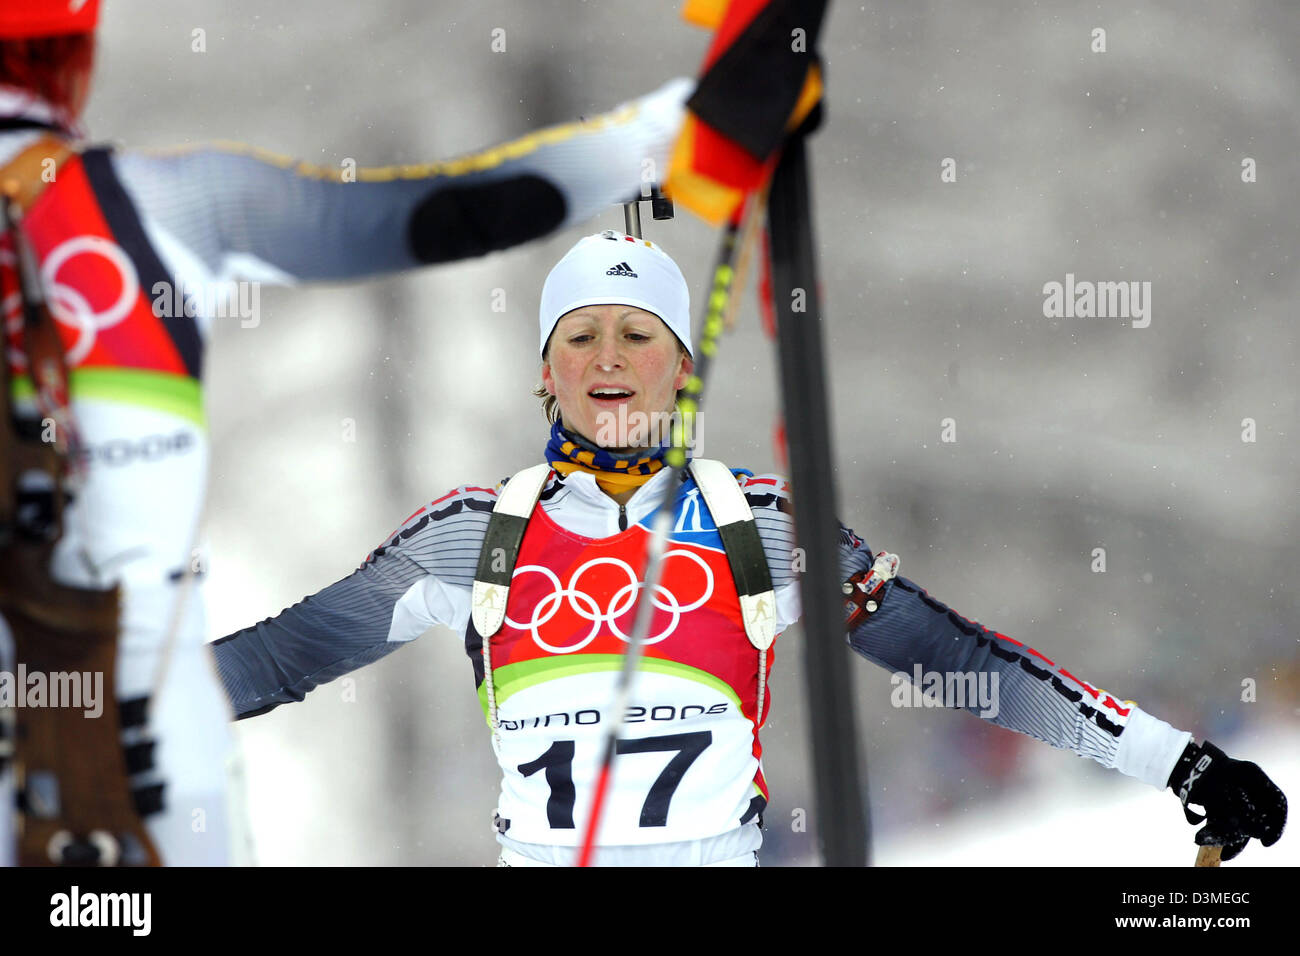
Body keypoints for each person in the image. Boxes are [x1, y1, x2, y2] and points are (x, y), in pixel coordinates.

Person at [212, 231, 1287, 866]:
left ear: (681, 365)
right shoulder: (472, 535)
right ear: (546, 372)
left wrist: (1173, 756)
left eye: (639, 334)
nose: (608, 359)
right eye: (578, 335)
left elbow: (957, 660)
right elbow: (274, 660)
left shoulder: (758, 523)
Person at [0, 0, 692, 866]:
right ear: (72, 55)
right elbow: (441, 211)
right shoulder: (165, 201)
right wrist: (673, 130)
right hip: (136, 773)